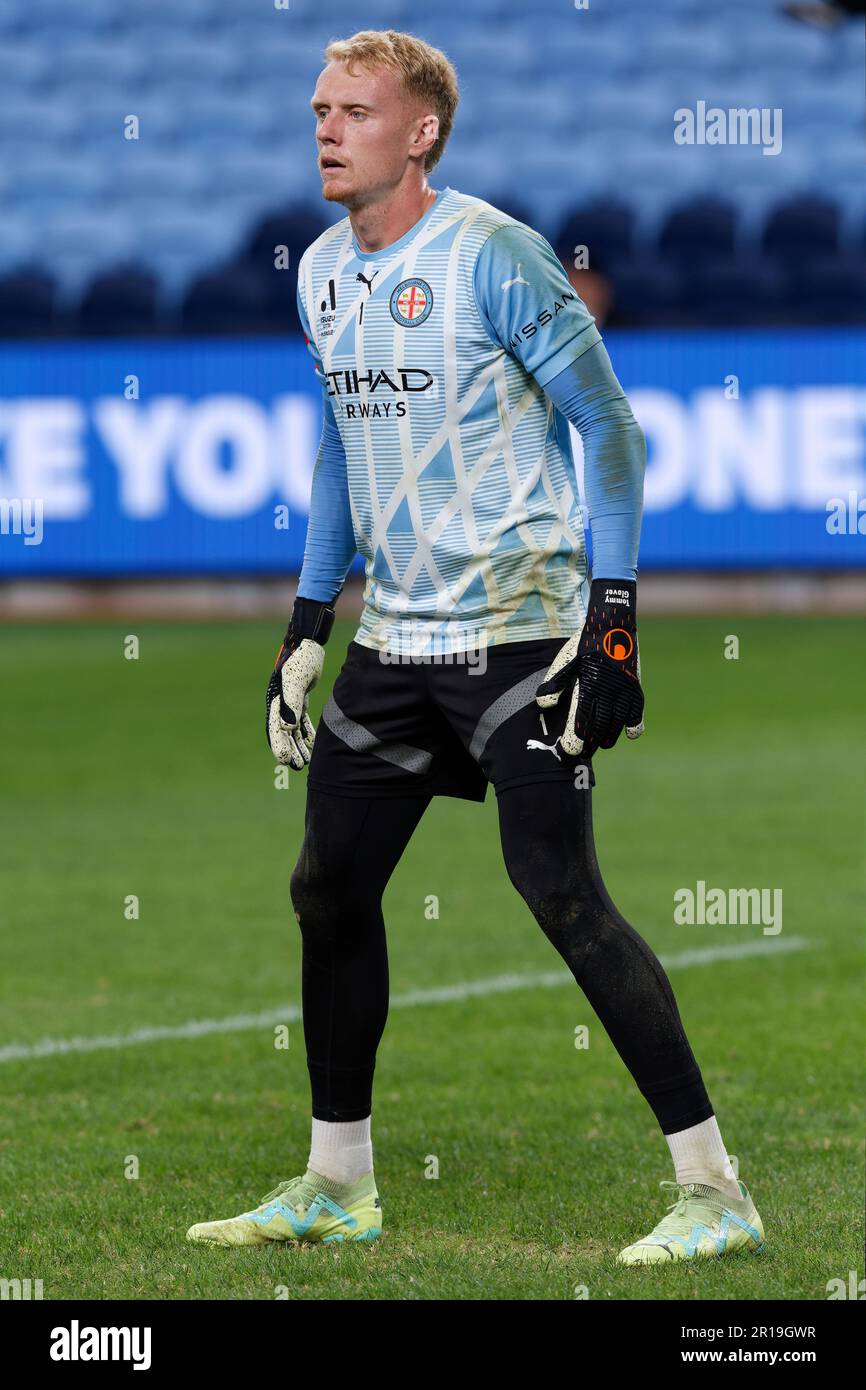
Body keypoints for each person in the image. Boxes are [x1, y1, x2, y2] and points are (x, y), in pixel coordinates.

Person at [187, 28, 764, 1265]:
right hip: (394, 642)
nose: (324, 127)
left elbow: (607, 430)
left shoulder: (495, 256)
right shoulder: (323, 275)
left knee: (559, 892)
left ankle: (713, 1190)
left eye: (350, 108)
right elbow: (342, 449)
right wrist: (305, 623)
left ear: (421, 130)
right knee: (326, 886)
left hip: (520, 632)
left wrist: (608, 617)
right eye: (317, 108)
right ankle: (338, 1183)